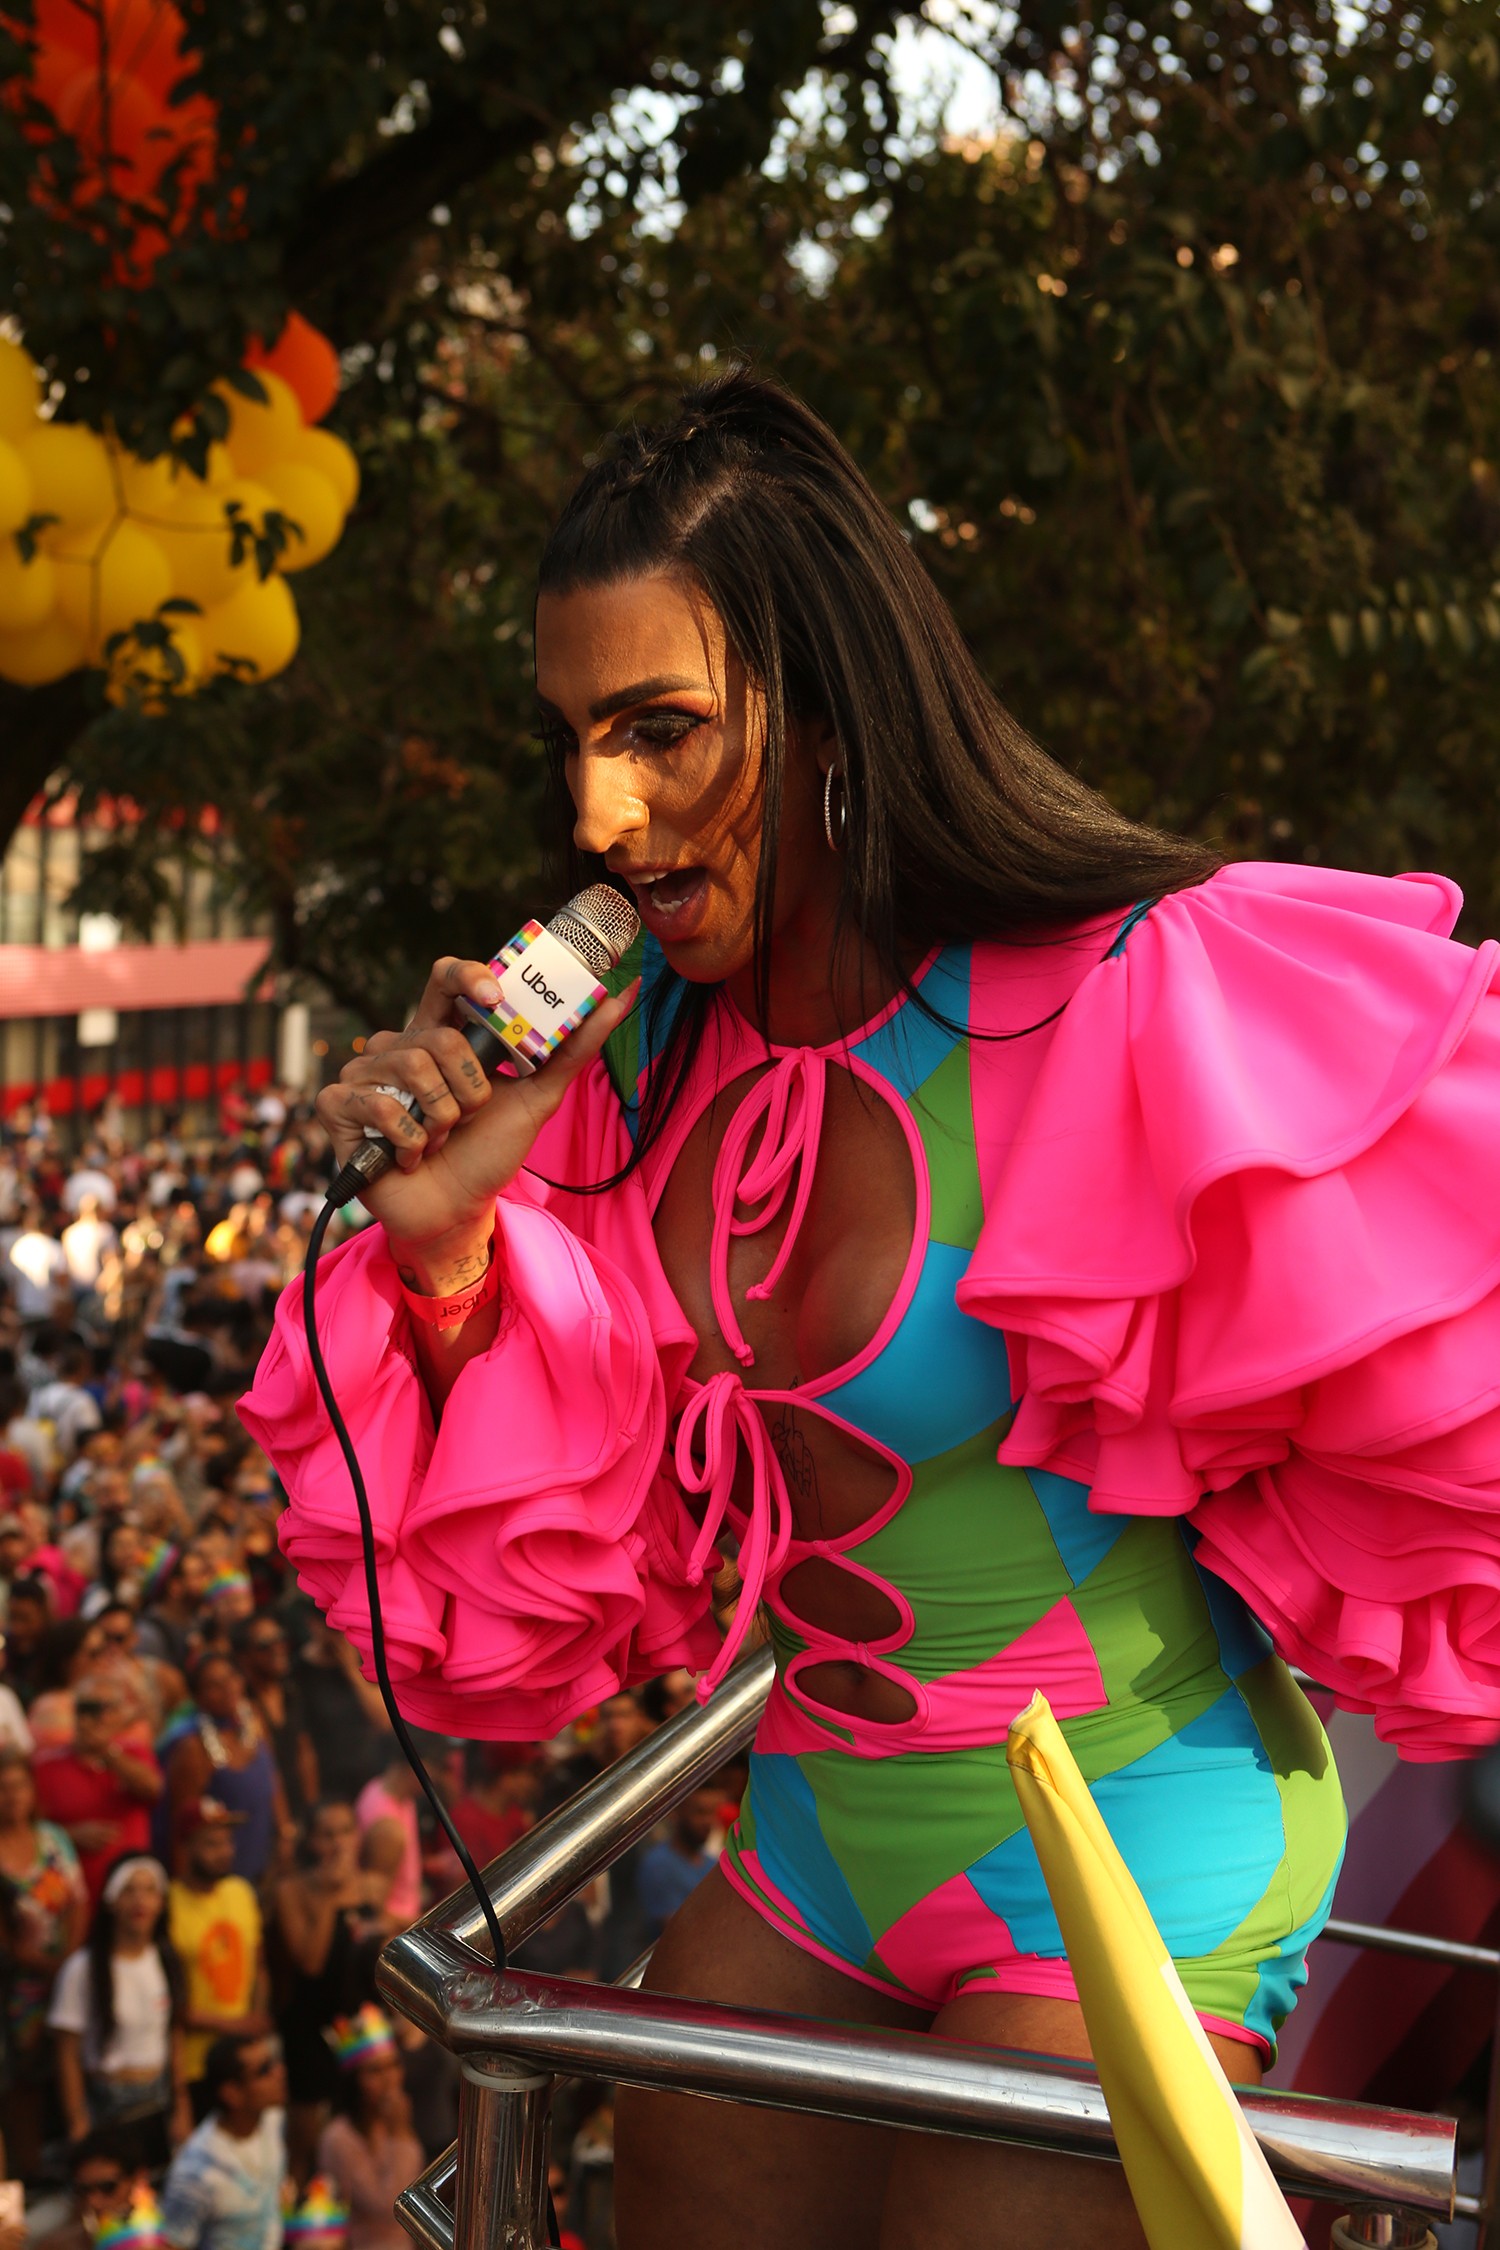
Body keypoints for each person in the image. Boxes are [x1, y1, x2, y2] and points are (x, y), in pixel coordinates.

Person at [238, 369, 1500, 2249]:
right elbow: (542, 1615)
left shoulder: (1135, 992)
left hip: (1136, 1833)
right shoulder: (613, 1077)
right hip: (819, 1839)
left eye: (662, 731)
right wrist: (439, 1250)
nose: (600, 809)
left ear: (828, 702)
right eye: (576, 737)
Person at [270, 1803, 390, 2177]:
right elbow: (310, 1963)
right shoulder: (291, 1890)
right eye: (327, 1834)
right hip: (311, 2023)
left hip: (360, 2025)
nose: (338, 1843)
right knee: (307, 2137)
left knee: (365, 2123)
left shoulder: (373, 1886)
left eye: (345, 1832)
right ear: (312, 1841)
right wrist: (327, 1895)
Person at [48, 1855, 189, 2165]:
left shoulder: (165, 1960)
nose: (140, 1901)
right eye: (129, 1890)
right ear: (111, 1901)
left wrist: (181, 2105)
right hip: (105, 2100)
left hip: (156, 2097)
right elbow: (67, 2052)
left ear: (161, 1902)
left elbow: (173, 2035)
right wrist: (77, 2120)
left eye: (150, 1890)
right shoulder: (82, 1969)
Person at [0, 1742, 88, 2177]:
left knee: (71, 2062)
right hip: (18, 1985)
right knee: (25, 2078)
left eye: (18, 1786)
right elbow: (7, 1942)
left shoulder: (53, 1838)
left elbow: (77, 1899)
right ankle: (29, 2168)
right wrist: (50, 1969)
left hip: (67, 1969)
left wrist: (70, 1963)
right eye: (2, 1789)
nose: (11, 1797)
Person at [168, 1799, 267, 2117]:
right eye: (212, 1843)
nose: (225, 1850)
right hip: (198, 2065)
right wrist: (240, 2025)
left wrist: (256, 2019)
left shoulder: (240, 1892)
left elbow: (259, 1967)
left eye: (227, 1841)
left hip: (246, 2059)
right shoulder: (170, 1906)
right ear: (186, 1848)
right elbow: (175, 2005)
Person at [34, 1676, 163, 1908]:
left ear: (119, 1715)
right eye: (88, 1708)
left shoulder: (134, 1752)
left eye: (105, 1708)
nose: (96, 1717)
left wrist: (106, 1751)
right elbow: (28, 1829)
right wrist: (70, 1836)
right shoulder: (46, 1766)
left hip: (129, 1903)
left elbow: (152, 1790)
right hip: (71, 1898)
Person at [164, 1656, 288, 1888]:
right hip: (220, 1876)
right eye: (214, 1685)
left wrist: (284, 1833)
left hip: (265, 1857)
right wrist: (184, 1890)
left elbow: (272, 1776)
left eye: (231, 1677)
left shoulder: (253, 1717)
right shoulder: (193, 1748)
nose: (228, 1688)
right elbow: (181, 1828)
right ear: (198, 1698)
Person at [158, 2031, 286, 2250]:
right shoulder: (195, 2172)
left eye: (275, 2062)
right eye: (264, 2070)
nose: (280, 2073)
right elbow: (172, 2244)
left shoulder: (273, 2121)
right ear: (231, 2093)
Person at [314, 2008, 423, 2250]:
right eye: (375, 2071)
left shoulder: (391, 2121)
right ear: (354, 2081)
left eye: (393, 2065)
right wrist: (401, 2135)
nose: (389, 2079)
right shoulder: (338, 2138)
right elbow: (390, 2207)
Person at [230, 1615, 317, 1826]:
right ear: (244, 1657)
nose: (278, 1647)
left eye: (280, 1638)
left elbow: (304, 1752)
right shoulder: (242, 1704)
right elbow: (267, 1768)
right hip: (263, 1818)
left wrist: (313, 1812)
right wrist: (284, 1826)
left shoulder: (291, 1692)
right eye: (264, 1644)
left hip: (300, 1811)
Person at [29, 2128, 150, 2250]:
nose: (93, 2202)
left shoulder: (163, 2231)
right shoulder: (60, 2245)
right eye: (83, 2190)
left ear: (138, 2177)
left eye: (107, 2187)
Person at [636, 1785, 721, 1937]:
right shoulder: (659, 1863)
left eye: (712, 1813)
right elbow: (675, 1930)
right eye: (700, 1812)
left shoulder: (712, 1863)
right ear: (677, 1812)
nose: (708, 1821)